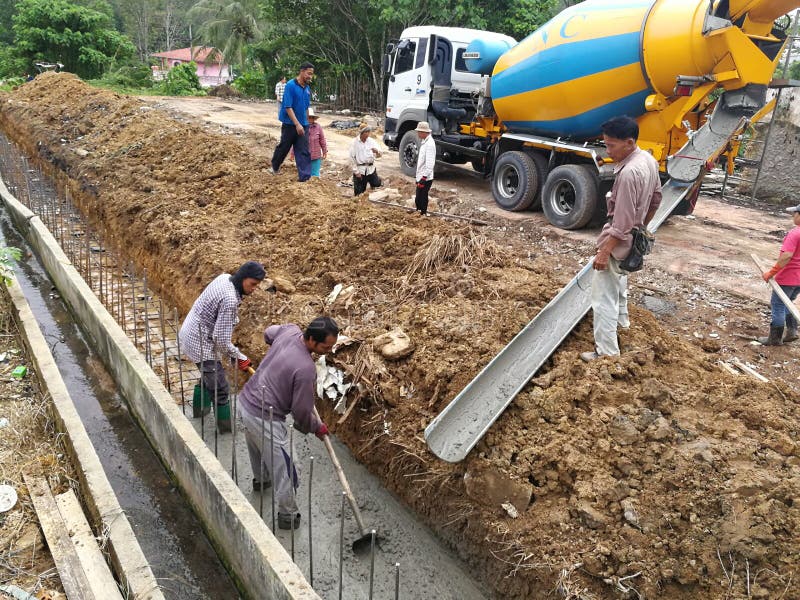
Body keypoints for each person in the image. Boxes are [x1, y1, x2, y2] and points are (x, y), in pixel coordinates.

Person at [238, 317, 339, 530]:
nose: (328, 351)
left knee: (257, 448)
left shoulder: (289, 331)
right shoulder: (305, 369)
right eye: (325, 347)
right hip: (265, 417)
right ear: (311, 339)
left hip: (245, 402)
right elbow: (301, 411)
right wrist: (315, 427)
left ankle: (261, 482)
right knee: (288, 469)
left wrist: (279, 352)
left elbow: (268, 332)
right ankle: (287, 515)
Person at [581, 116, 662, 362]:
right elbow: (656, 199)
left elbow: (621, 223)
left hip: (618, 244)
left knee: (603, 298)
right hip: (632, 241)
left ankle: (606, 353)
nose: (608, 150)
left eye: (611, 145)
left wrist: (605, 251)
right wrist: (642, 226)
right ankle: (623, 325)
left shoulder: (629, 174)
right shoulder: (648, 159)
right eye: (605, 144)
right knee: (620, 284)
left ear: (628, 142)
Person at [178, 261, 267, 432]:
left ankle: (200, 414)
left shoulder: (225, 277)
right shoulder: (229, 300)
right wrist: (239, 357)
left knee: (208, 377)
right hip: (200, 342)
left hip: (193, 330)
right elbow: (221, 340)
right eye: (253, 284)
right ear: (243, 278)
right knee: (220, 389)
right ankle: (226, 432)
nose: (255, 288)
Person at [758, 204, 800, 345]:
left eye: (795, 213)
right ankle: (792, 331)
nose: (793, 216)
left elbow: (787, 256)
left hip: (788, 276)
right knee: (789, 302)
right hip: (799, 279)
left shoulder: (795, 233)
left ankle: (775, 339)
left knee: (778, 304)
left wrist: (771, 272)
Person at [270, 63, 314, 181]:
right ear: (302, 71)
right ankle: (274, 167)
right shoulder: (290, 85)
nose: (310, 76)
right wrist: (297, 124)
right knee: (284, 147)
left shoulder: (307, 88)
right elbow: (288, 107)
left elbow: (306, 107)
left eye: (312, 74)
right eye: (309, 73)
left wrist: (308, 121)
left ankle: (305, 178)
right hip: (290, 124)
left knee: (303, 150)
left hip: (303, 124)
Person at [291, 107, 327, 177]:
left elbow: (322, 140)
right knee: (305, 175)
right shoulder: (300, 128)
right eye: (308, 117)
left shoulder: (318, 127)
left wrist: (324, 151)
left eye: (311, 117)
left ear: (313, 118)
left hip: (316, 156)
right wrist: (292, 154)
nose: (309, 119)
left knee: (315, 175)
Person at [349, 125, 382, 196]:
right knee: (359, 192)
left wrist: (377, 152)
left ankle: (373, 186)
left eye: (368, 132)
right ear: (361, 133)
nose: (367, 134)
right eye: (366, 132)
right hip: (361, 170)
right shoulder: (354, 142)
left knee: (376, 183)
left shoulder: (371, 141)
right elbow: (351, 158)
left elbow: (380, 153)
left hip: (371, 168)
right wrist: (356, 172)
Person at [414, 121, 436, 215]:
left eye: (419, 132)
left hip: (425, 177)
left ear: (424, 132)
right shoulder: (424, 141)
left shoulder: (430, 144)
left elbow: (430, 163)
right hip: (421, 175)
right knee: (418, 197)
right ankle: (419, 212)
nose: (418, 134)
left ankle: (423, 213)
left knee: (422, 196)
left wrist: (424, 177)